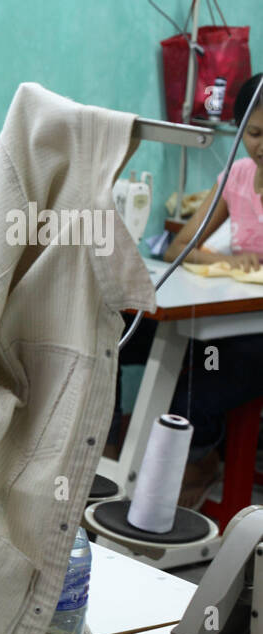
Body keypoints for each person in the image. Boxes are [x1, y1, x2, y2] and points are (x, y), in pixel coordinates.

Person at [108, 73, 263, 506]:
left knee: (189, 395)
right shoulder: (237, 176)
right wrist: (224, 261)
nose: (261, 145)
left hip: (254, 337)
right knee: (112, 340)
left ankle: (194, 467)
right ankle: (105, 462)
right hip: (215, 325)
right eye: (253, 133)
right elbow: (182, 246)